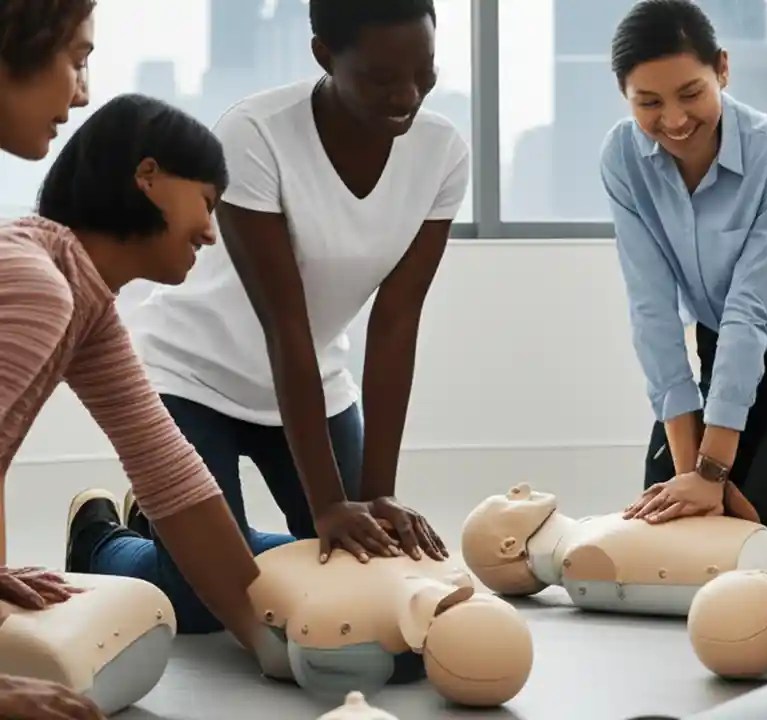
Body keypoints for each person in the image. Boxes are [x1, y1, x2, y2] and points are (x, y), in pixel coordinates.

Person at [65, 0, 468, 634]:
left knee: (363, 571)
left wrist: (376, 495)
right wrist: (331, 503)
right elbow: (285, 321)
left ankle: (193, 532)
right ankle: (103, 539)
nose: (408, 95)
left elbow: (395, 325)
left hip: (315, 386)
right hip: (195, 375)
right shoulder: (255, 133)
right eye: (383, 78)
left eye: (424, 71)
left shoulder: (443, 151)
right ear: (325, 56)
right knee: (199, 605)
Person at [0, 90, 280, 718]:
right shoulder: (35, 281)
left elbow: (166, 469)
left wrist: (263, 634)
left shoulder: (84, 301)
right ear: (148, 177)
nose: (211, 231)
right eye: (206, 202)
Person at [601, 0, 767, 569]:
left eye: (690, 93)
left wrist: (713, 470)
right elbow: (652, 310)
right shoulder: (622, 157)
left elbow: (750, 310)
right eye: (648, 102)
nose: (673, 120)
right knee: (670, 545)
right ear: (625, 96)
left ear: (722, 68)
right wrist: (688, 476)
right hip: (718, 352)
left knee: (765, 552)